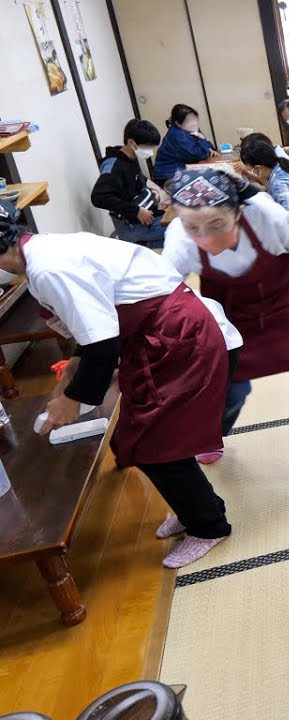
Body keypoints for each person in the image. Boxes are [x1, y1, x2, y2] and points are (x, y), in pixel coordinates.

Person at [0, 199, 240, 568]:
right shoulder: (41, 254)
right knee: (139, 438)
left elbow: (103, 343)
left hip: (175, 336)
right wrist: (73, 367)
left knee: (158, 445)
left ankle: (209, 526)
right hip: (153, 334)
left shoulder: (48, 268)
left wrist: (73, 400)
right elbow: (93, 323)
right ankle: (195, 508)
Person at [163, 168, 289, 486]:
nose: (204, 237)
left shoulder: (267, 215)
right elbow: (164, 289)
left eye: (216, 225)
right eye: (193, 227)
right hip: (232, 314)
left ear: (238, 213)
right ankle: (212, 436)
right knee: (232, 388)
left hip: (286, 303)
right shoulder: (178, 239)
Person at [92, 119, 170, 248]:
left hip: (144, 216)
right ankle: (140, 244)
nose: (150, 151)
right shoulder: (114, 165)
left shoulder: (130, 158)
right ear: (131, 142)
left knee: (183, 223)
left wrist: (154, 192)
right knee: (184, 230)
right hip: (132, 226)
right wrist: (136, 211)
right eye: (148, 146)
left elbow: (138, 180)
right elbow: (99, 197)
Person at [153, 104, 217, 183]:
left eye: (195, 119)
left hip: (184, 171)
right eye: (189, 121)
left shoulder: (190, 129)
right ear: (178, 123)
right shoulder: (177, 135)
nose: (194, 123)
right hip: (169, 176)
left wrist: (209, 148)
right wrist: (203, 140)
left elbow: (208, 147)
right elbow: (198, 155)